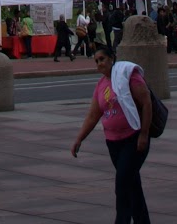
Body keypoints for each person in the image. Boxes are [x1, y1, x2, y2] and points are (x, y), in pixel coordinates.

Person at [71, 45, 154, 224]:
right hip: (113, 143)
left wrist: (144, 134)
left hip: (133, 139)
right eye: (96, 61)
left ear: (111, 58)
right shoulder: (101, 84)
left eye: (102, 59)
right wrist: (79, 138)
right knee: (132, 185)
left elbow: (147, 103)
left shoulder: (128, 76)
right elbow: (94, 115)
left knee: (122, 185)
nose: (99, 64)